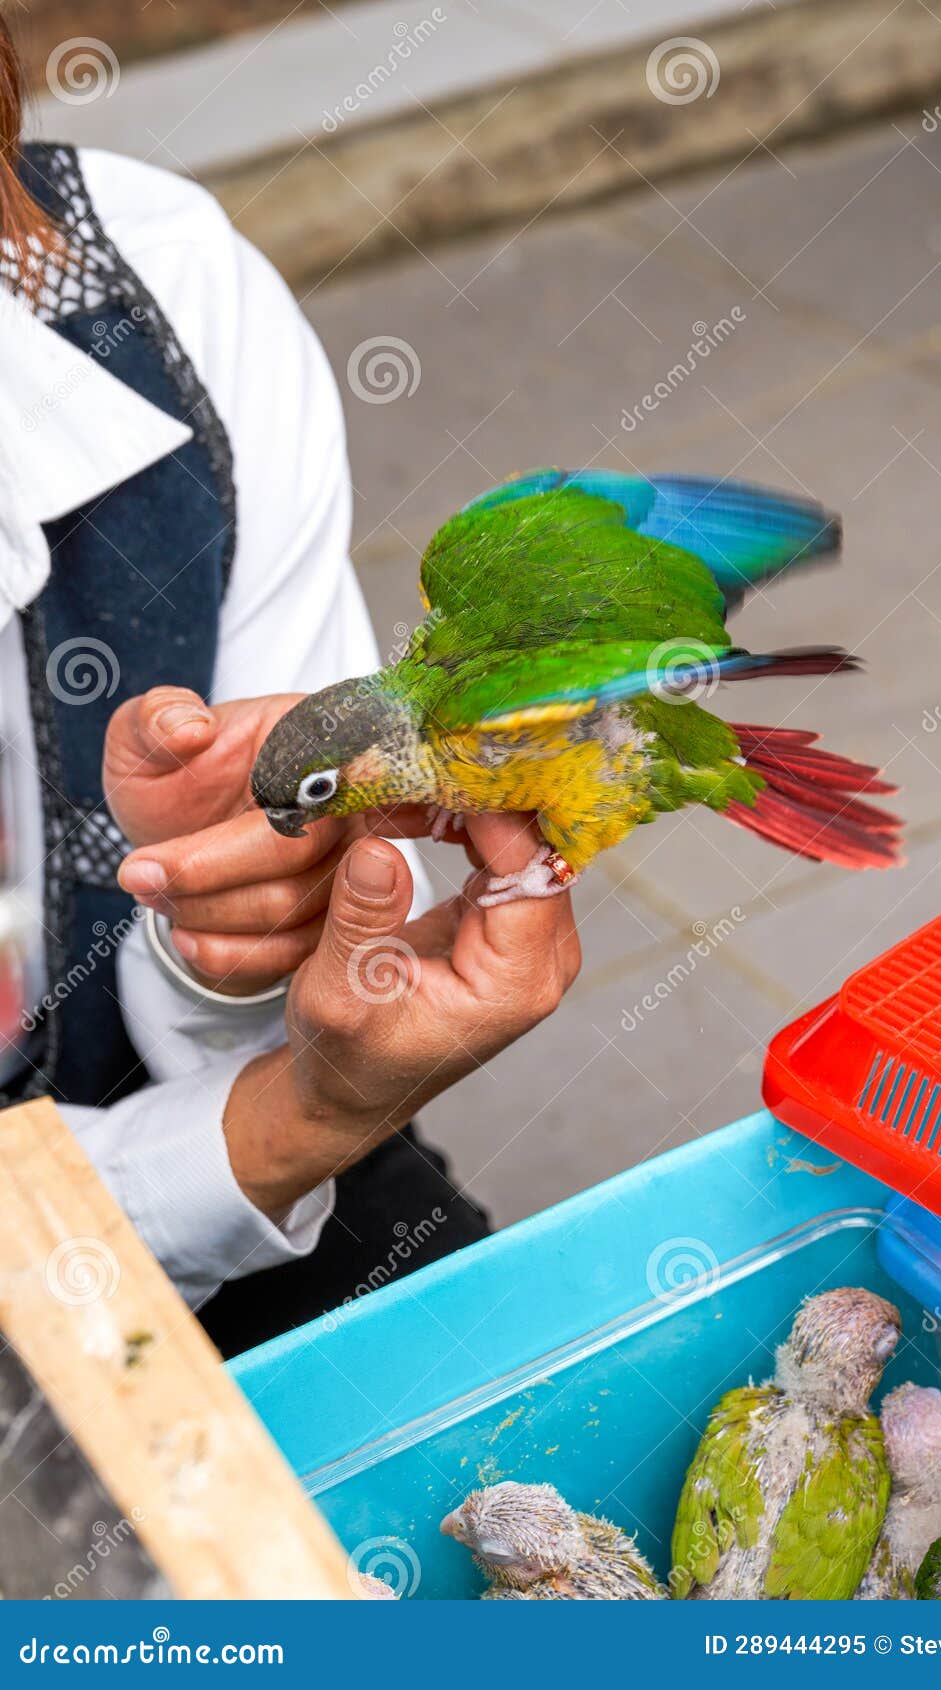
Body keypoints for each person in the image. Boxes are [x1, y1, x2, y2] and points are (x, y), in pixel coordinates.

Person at [0, 18, 579, 1356]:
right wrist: (276, 1131)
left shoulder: (166, 288)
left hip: (218, 1152)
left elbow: (313, 952)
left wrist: (245, 941)